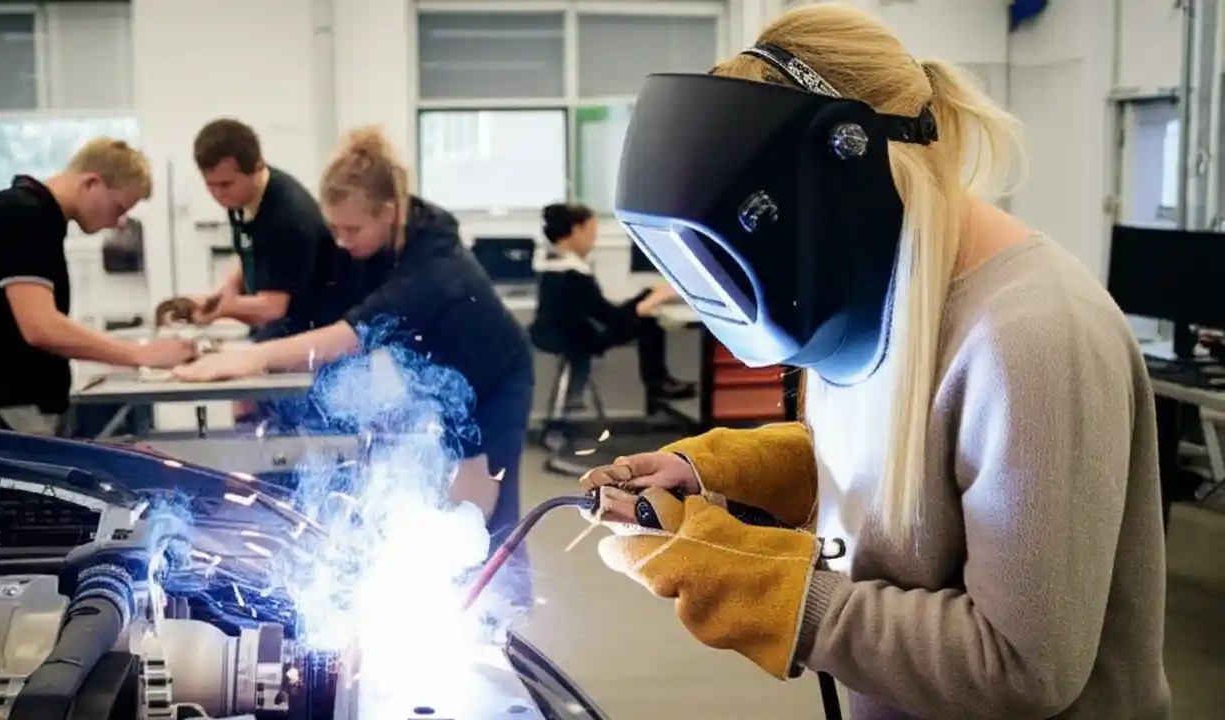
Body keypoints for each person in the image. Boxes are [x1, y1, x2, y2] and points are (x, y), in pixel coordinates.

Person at [580, 5, 1170, 719]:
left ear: (847, 163)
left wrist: (762, 586)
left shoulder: (1034, 337)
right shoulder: (887, 295)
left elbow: (1020, 669)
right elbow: (913, 476)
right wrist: (722, 470)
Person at [172, 126, 535, 580]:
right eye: (334, 228)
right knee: (415, 488)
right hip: (427, 376)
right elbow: (322, 307)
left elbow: (353, 332)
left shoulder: (437, 261)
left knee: (483, 510)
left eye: (351, 229)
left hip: (494, 378)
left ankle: (503, 612)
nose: (341, 241)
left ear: (388, 212)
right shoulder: (369, 239)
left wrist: (246, 359)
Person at [0, 139, 196, 436]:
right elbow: (41, 327)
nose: (118, 222)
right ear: (91, 183)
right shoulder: (23, 215)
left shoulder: (40, 216)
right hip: (3, 412)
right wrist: (140, 355)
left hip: (16, 409)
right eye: (118, 208)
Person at [177, 118, 341, 338]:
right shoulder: (242, 198)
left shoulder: (288, 217)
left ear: (257, 168)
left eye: (225, 184)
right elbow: (254, 252)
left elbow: (272, 309)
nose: (217, 194)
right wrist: (221, 294)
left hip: (309, 330)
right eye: (210, 185)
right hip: (278, 326)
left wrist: (221, 309)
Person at [529, 202, 693, 408]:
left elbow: (601, 311)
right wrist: (651, 302)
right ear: (577, 231)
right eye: (592, 232)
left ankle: (659, 384)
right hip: (576, 338)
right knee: (648, 324)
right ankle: (658, 384)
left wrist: (648, 296)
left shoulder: (553, 265)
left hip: (557, 332)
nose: (594, 239)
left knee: (645, 304)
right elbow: (610, 319)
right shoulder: (572, 273)